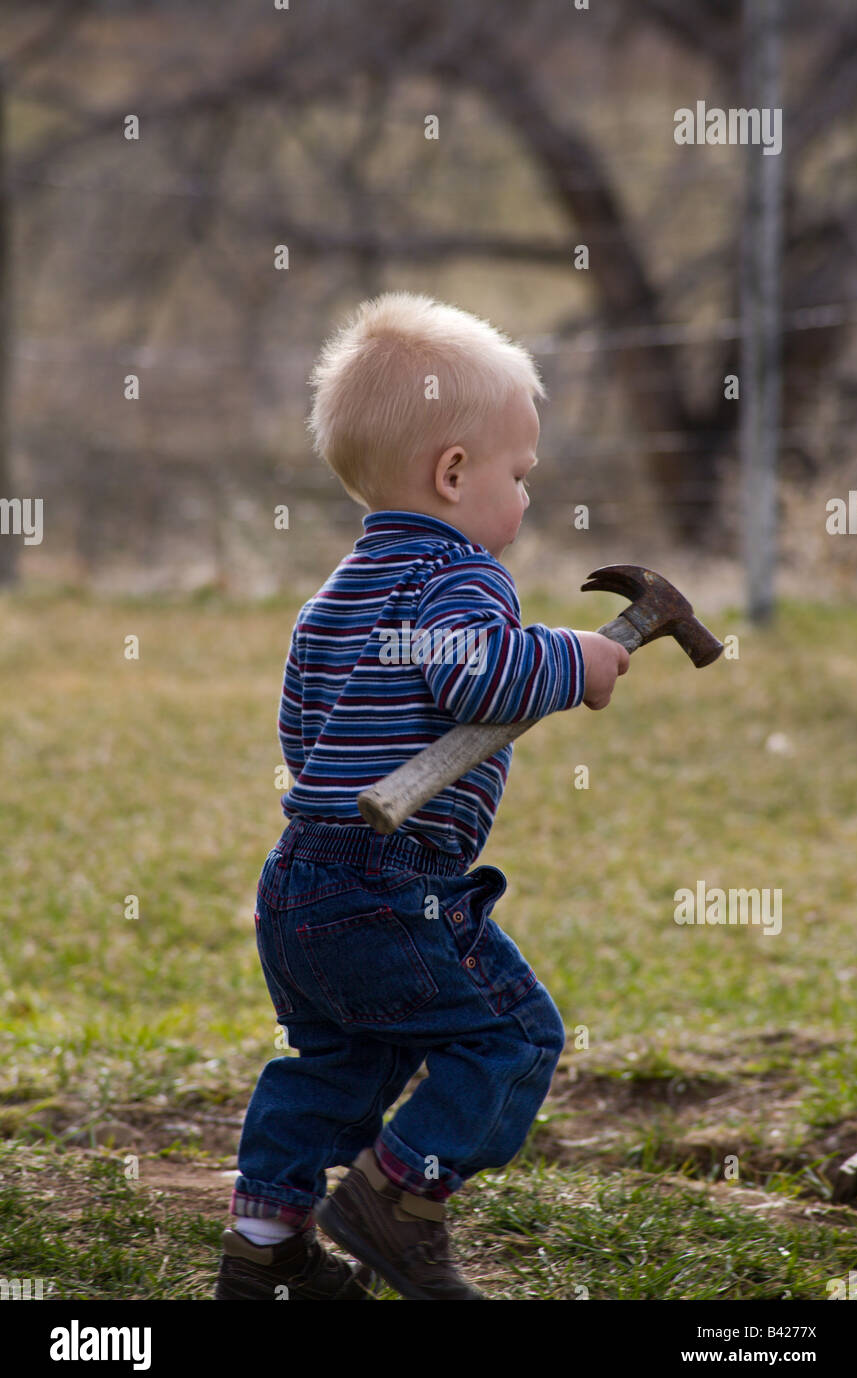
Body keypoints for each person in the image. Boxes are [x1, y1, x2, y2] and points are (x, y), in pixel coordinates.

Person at [215, 291, 629, 1301]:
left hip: (303, 881)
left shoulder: (334, 595)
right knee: (512, 1037)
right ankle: (397, 1196)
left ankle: (266, 1246)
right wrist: (571, 658)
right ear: (453, 473)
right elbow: (478, 678)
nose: (524, 500)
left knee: (338, 1065)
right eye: (518, 477)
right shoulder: (462, 575)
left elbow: (303, 734)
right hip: (394, 885)